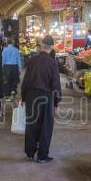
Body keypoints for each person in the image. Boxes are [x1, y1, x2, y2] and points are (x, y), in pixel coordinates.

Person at [21, 35, 61, 163]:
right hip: (46, 97)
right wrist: (57, 102)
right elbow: (55, 84)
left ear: (41, 46)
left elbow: (25, 81)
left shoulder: (32, 61)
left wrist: (22, 96)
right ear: (52, 48)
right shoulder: (52, 63)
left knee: (31, 123)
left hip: (31, 96)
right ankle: (42, 156)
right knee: (45, 125)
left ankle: (30, 153)